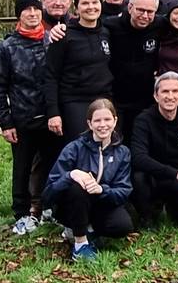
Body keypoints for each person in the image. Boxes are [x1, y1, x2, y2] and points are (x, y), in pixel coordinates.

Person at [0, 0, 63, 235]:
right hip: (22, 119)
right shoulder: (6, 48)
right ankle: (21, 212)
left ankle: (49, 206)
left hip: (51, 116)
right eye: (27, 10)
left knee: (51, 164)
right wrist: (5, 121)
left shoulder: (51, 40)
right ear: (18, 15)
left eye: (36, 10)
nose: (32, 14)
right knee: (22, 168)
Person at [42, 99, 134, 261]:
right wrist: (71, 175)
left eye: (107, 120)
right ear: (89, 124)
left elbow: (123, 190)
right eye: (97, 120)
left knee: (123, 225)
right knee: (78, 187)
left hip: (101, 203)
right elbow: (48, 193)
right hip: (71, 205)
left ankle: (86, 229)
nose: (103, 125)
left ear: (115, 121)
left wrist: (101, 189)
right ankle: (80, 244)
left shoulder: (122, 152)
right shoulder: (74, 148)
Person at [129, 73, 178, 226]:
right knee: (138, 178)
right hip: (155, 177)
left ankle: (176, 209)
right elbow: (138, 157)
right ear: (156, 95)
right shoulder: (143, 120)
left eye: (175, 91)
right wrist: (176, 174)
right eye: (165, 92)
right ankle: (147, 216)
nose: (170, 96)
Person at [43, 0, 112, 144]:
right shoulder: (63, 35)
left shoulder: (107, 33)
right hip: (74, 103)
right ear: (77, 8)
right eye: (85, 3)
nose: (91, 7)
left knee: (105, 148)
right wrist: (53, 112)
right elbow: (51, 75)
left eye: (95, 2)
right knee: (80, 150)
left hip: (104, 100)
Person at [102, 0, 163, 144]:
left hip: (146, 100)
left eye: (150, 12)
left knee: (142, 144)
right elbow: (84, 27)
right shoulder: (110, 26)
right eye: (140, 10)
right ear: (130, 7)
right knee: (116, 144)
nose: (145, 16)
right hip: (116, 99)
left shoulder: (160, 24)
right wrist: (61, 28)